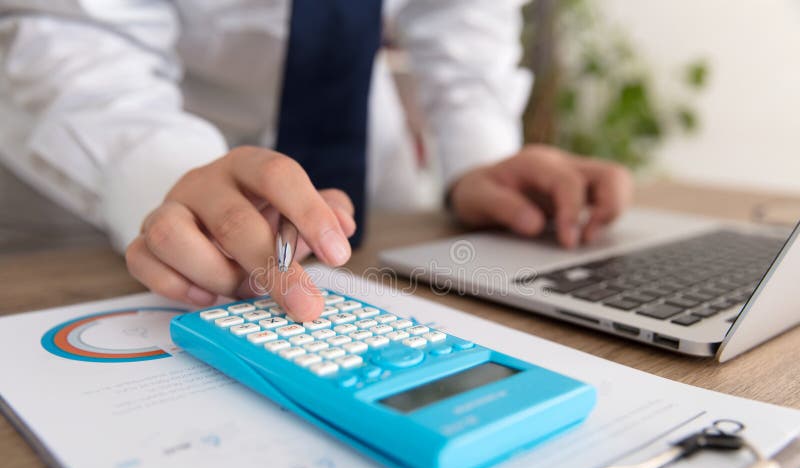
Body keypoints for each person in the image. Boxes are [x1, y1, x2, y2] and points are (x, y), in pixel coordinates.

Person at [0, 1, 631, 321]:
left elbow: (460, 11)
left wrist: (480, 156)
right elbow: (77, 29)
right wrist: (161, 172)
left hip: (361, 145)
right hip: (92, 162)